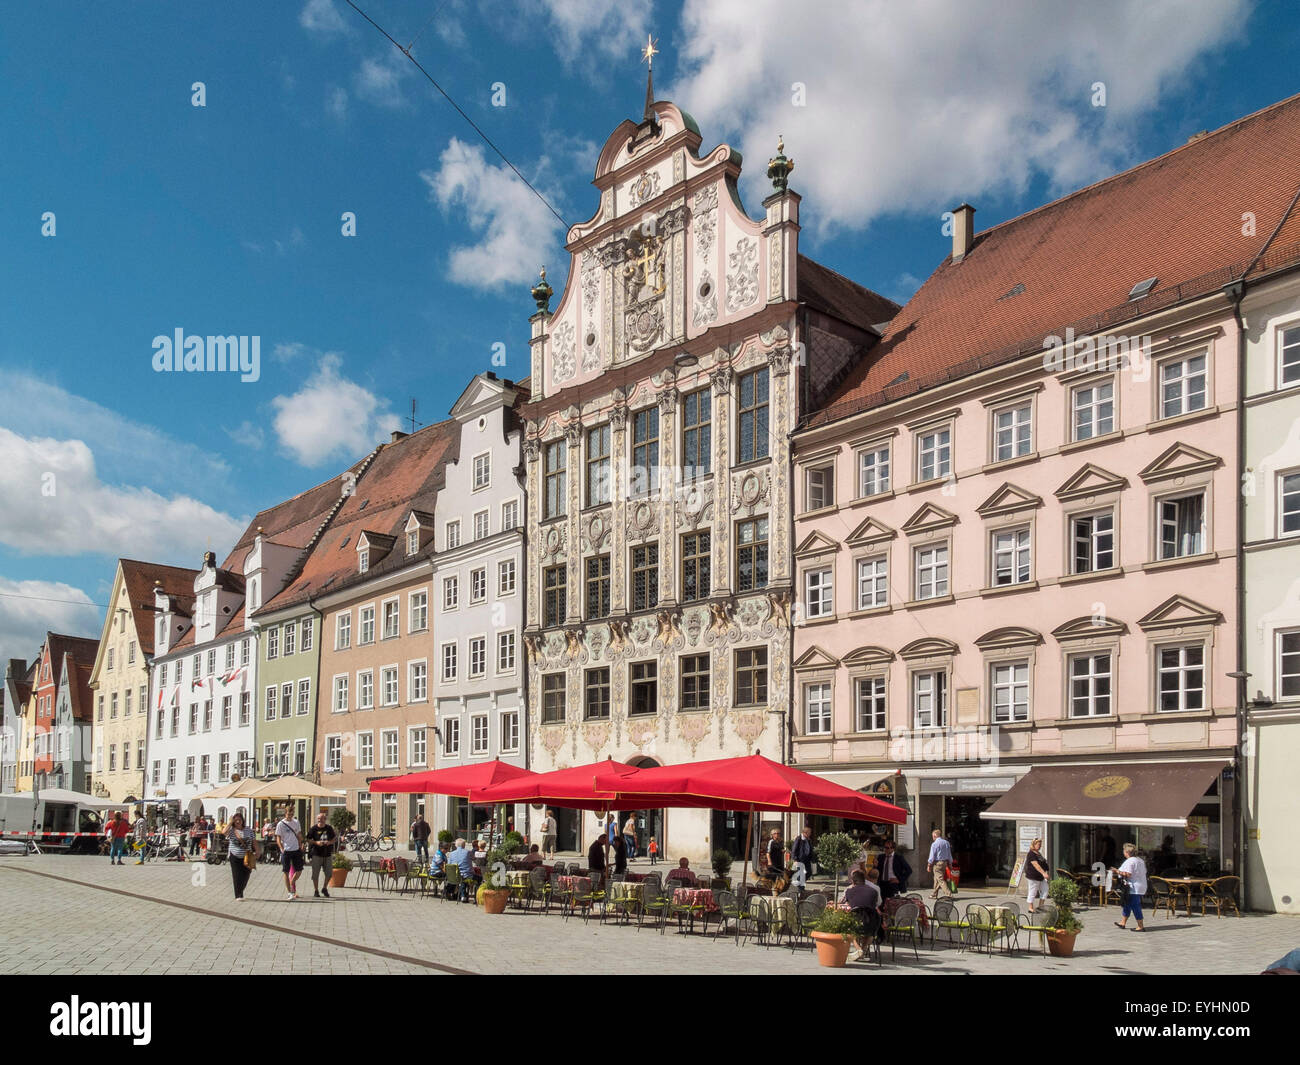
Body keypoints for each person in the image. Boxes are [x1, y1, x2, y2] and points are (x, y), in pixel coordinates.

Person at [842, 869, 883, 963]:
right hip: (873, 921)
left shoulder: (849, 891)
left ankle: (859, 949)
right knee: (870, 934)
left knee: (849, 930)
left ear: (853, 881)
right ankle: (863, 950)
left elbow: (849, 905)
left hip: (857, 919)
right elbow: (877, 904)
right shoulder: (874, 891)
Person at [1111, 842, 1148, 932]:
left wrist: (1117, 871)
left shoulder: (1130, 861)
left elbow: (1128, 874)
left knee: (1135, 905)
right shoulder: (1140, 860)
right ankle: (1123, 922)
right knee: (1127, 904)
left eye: (1124, 850)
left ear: (1126, 852)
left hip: (1133, 887)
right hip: (1140, 885)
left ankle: (1140, 926)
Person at [276, 807, 305, 901]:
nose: (290, 816)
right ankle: (289, 892)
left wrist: (301, 843)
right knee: (286, 871)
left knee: (299, 870)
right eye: (289, 814)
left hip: (296, 849)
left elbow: (299, 834)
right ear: (285, 814)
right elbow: (278, 838)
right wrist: (281, 848)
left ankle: (292, 881)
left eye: (292, 814)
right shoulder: (281, 824)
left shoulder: (296, 822)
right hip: (286, 850)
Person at [306, 811, 337, 899]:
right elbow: (308, 839)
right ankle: (316, 890)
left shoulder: (329, 828)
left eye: (322, 818)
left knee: (329, 873)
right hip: (316, 854)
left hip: (327, 853)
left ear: (325, 819)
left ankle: (324, 888)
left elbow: (334, 838)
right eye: (318, 819)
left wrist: (329, 842)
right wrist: (316, 842)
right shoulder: (314, 829)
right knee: (315, 874)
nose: (320, 820)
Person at [226, 812, 257, 901]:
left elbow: (253, 840)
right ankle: (238, 895)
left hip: (247, 856)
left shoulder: (248, 830)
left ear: (243, 820)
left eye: (239, 820)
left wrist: (257, 850)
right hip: (234, 856)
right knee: (237, 876)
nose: (238, 822)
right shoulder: (231, 830)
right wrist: (229, 823)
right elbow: (223, 832)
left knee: (246, 874)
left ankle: (240, 890)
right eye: (236, 820)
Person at [927, 829, 955, 900]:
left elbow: (932, 856)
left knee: (940, 880)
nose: (932, 838)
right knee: (936, 879)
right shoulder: (946, 843)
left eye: (932, 836)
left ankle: (949, 895)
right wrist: (950, 863)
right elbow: (949, 854)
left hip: (938, 863)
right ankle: (934, 894)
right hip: (945, 863)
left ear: (934, 835)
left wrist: (929, 865)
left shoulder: (934, 844)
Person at [1023, 838, 1050, 913]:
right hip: (1033, 876)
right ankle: (1030, 908)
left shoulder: (1038, 853)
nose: (1040, 846)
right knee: (1033, 891)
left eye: (1040, 844)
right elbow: (1036, 865)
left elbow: (1043, 863)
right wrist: (1044, 873)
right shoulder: (1031, 854)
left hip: (1040, 877)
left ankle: (1040, 906)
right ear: (1034, 844)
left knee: (1045, 889)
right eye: (1038, 844)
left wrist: (1046, 871)